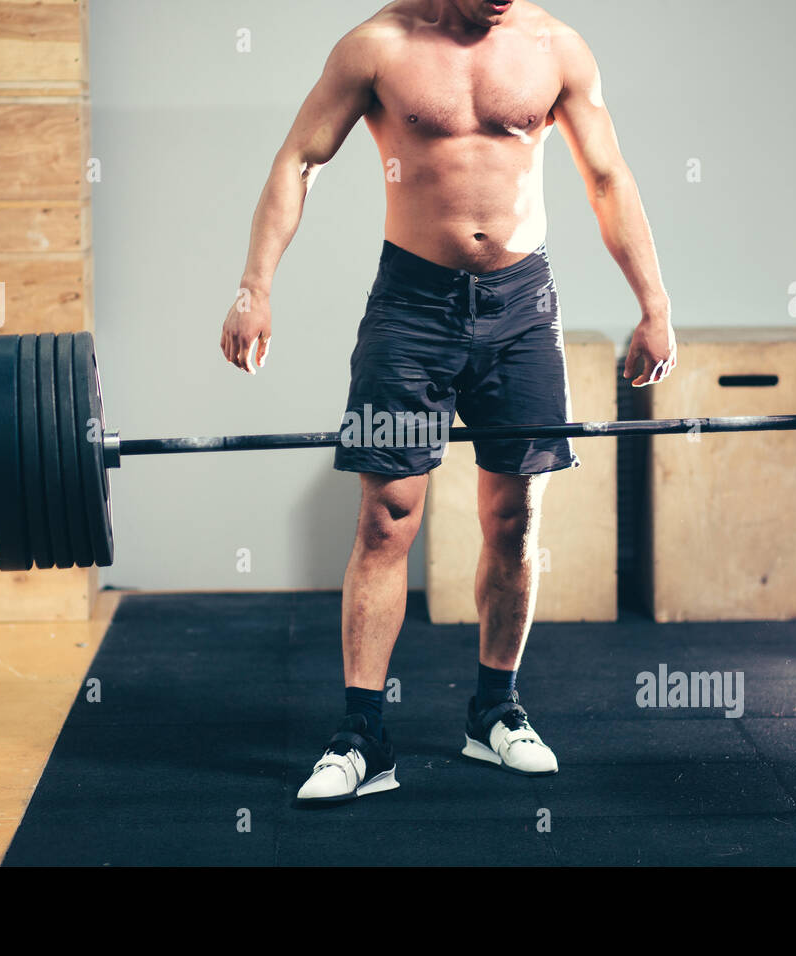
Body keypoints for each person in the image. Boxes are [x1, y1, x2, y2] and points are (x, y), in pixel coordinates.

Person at [220, 0, 676, 803]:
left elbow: (607, 175)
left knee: (514, 519)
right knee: (386, 518)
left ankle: (495, 715)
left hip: (523, 312)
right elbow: (298, 159)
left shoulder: (553, 47)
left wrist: (655, 305)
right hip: (410, 312)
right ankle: (363, 736)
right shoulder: (377, 47)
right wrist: (255, 288)